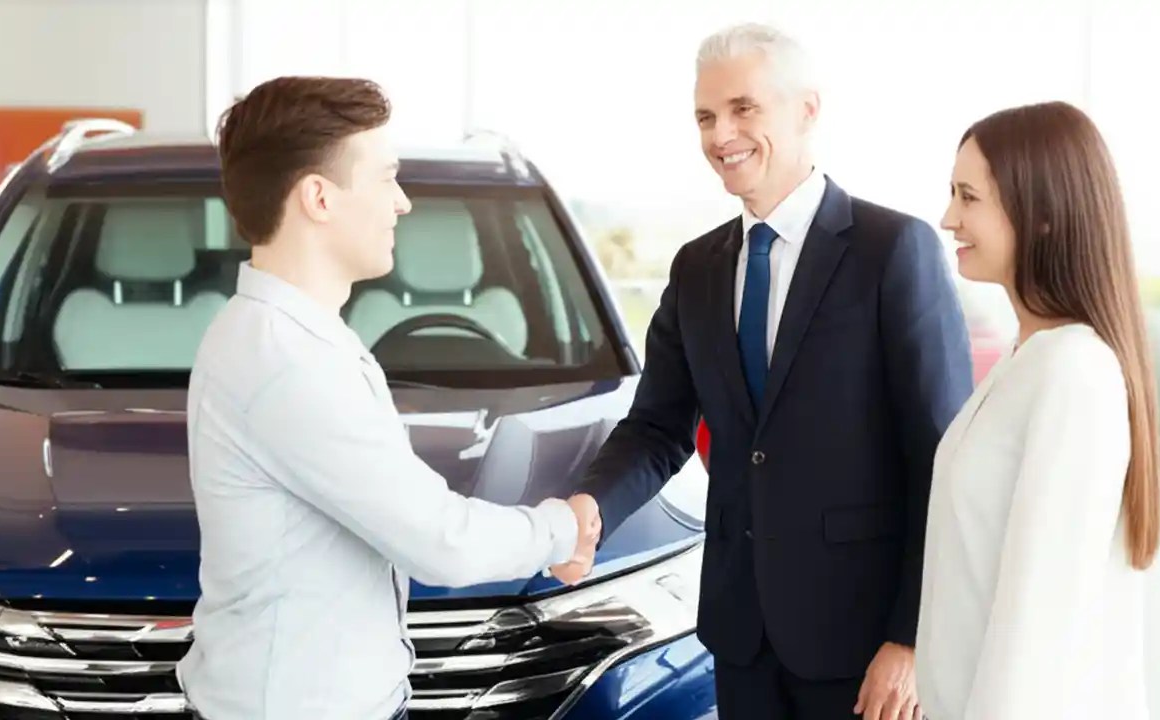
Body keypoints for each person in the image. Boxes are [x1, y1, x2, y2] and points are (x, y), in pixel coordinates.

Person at [553, 22, 974, 720]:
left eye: (743, 109)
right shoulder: (697, 267)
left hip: (863, 640)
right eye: (705, 117)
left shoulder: (891, 251)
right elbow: (659, 426)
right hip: (740, 633)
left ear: (807, 110)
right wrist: (590, 509)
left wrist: (912, 637)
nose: (722, 135)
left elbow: (938, 459)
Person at [178, 76, 599, 720]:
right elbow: (440, 541)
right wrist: (559, 529)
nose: (401, 203)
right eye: (385, 178)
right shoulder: (287, 363)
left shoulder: (286, 335)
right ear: (319, 197)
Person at [916, 101, 1160, 720]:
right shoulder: (1030, 359)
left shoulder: (1072, 372)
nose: (948, 218)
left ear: (1043, 216)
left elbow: (1040, 624)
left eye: (968, 197)